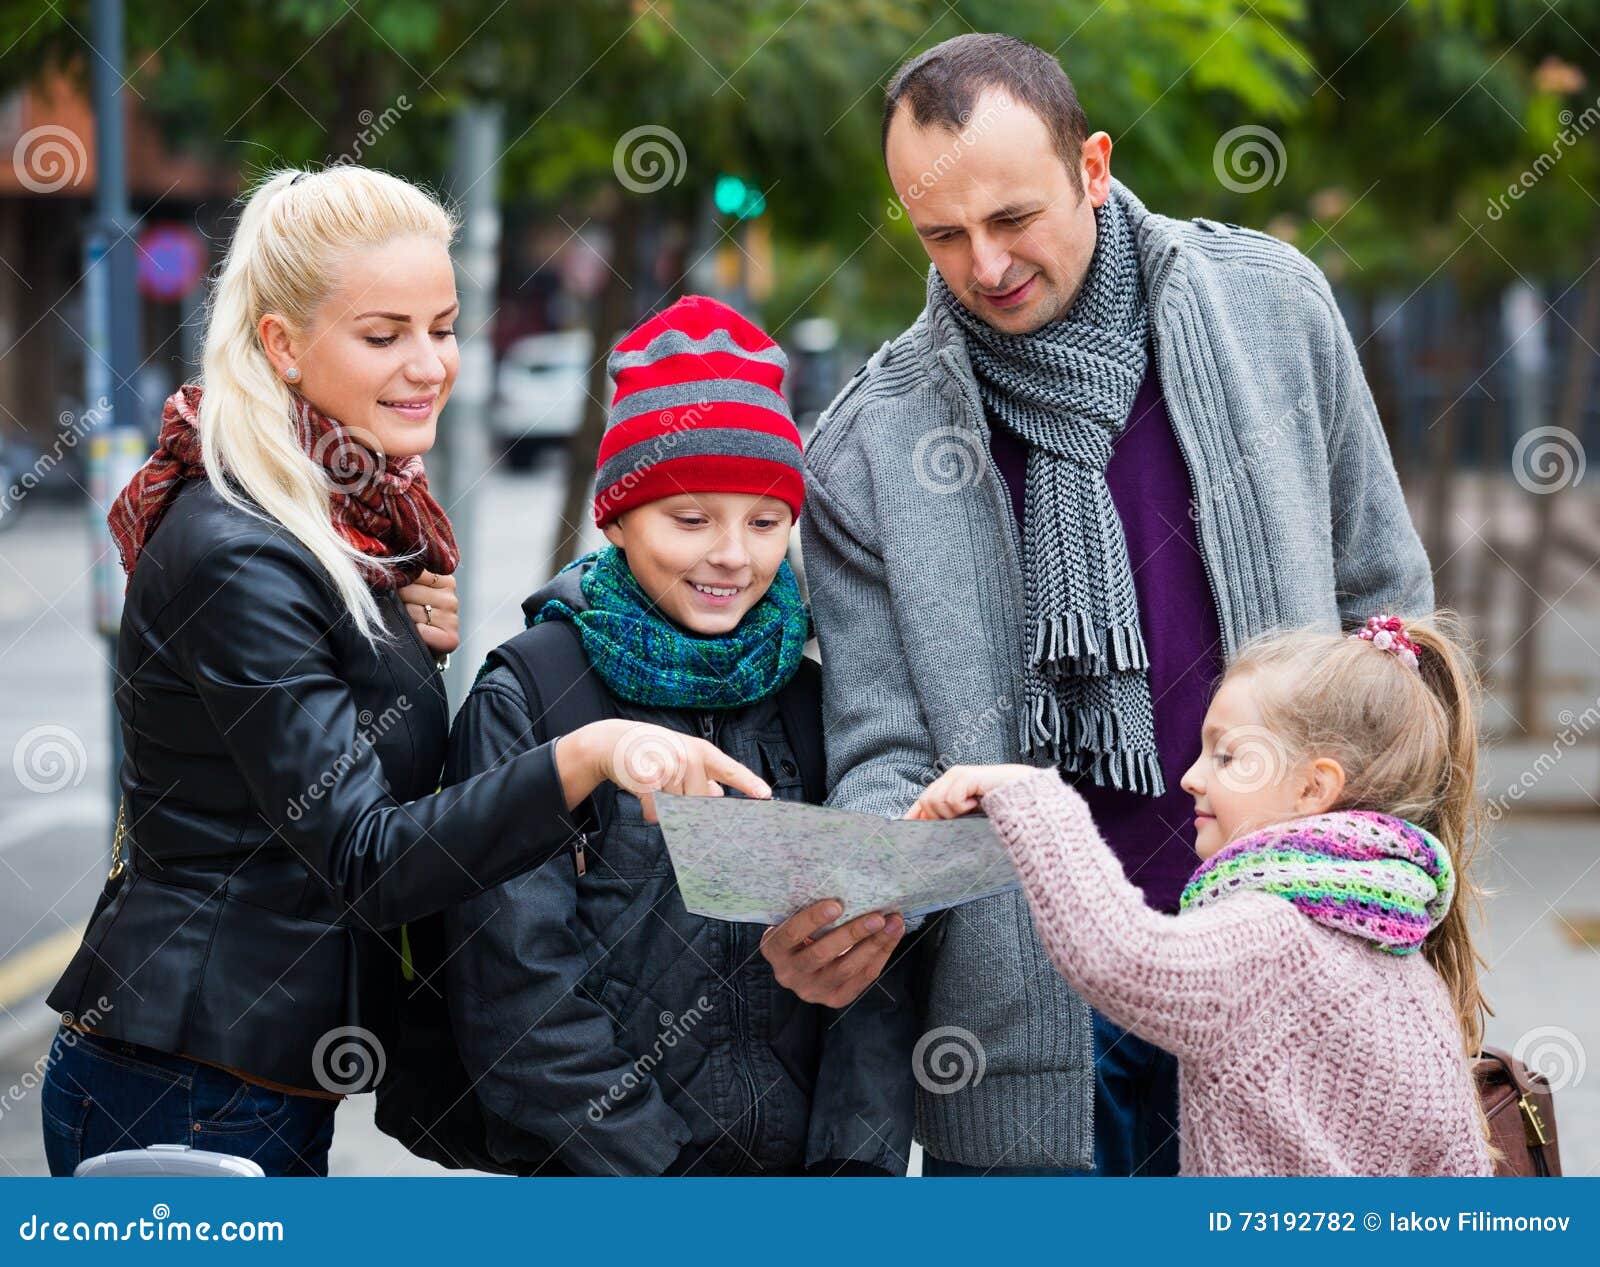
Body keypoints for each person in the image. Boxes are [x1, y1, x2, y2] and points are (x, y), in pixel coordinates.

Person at [765, 32, 1433, 1176]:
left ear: (1091, 166)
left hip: (1292, 983)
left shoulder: (1271, 312)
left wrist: (1392, 907)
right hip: (1029, 1040)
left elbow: (1389, 618)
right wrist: (864, 894)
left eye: (1012, 218)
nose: (983, 266)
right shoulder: (870, 448)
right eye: (940, 235)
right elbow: (886, 746)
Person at [40, 168, 765, 1178]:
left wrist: (397, 648)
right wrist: (583, 757)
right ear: (283, 344)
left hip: (246, 1083)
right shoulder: (244, 549)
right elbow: (367, 856)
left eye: (444, 326)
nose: (429, 364)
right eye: (383, 336)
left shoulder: (347, 532)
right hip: (187, 1087)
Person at [439, 296, 916, 1176]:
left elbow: (871, 988)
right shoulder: (532, 698)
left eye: (766, 521)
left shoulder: (820, 701)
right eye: (691, 520)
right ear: (616, 520)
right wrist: (655, 1180)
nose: (733, 554)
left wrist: (855, 1176)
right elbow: (514, 991)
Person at [909, 614, 1493, 1176]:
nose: (1190, 777)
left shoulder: (1276, 939)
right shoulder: (1413, 974)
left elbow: (1122, 958)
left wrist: (1032, 795)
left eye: (1227, 755)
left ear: (1314, 786)